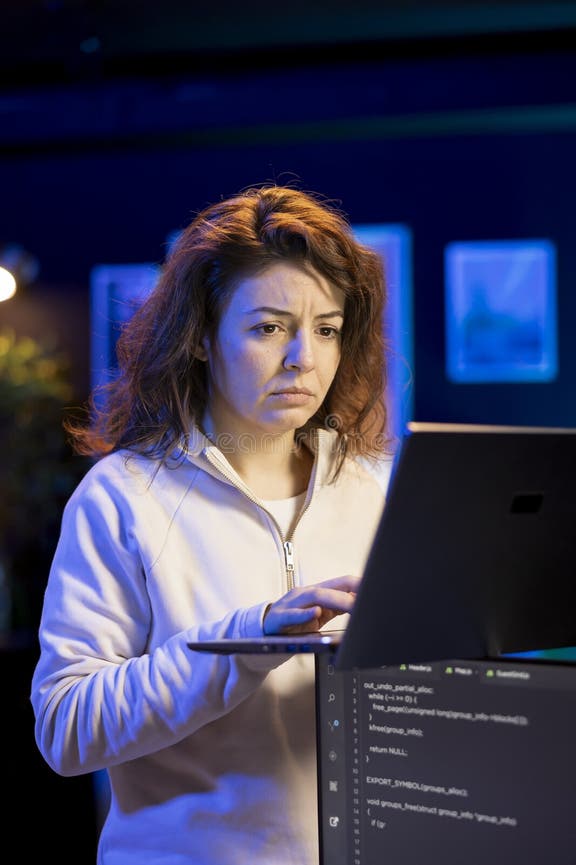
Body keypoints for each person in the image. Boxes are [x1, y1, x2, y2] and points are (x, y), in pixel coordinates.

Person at [30, 183, 391, 865]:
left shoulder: (363, 488)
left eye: (326, 329)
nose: (303, 360)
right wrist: (246, 641)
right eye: (268, 327)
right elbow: (66, 727)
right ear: (200, 336)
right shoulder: (123, 497)